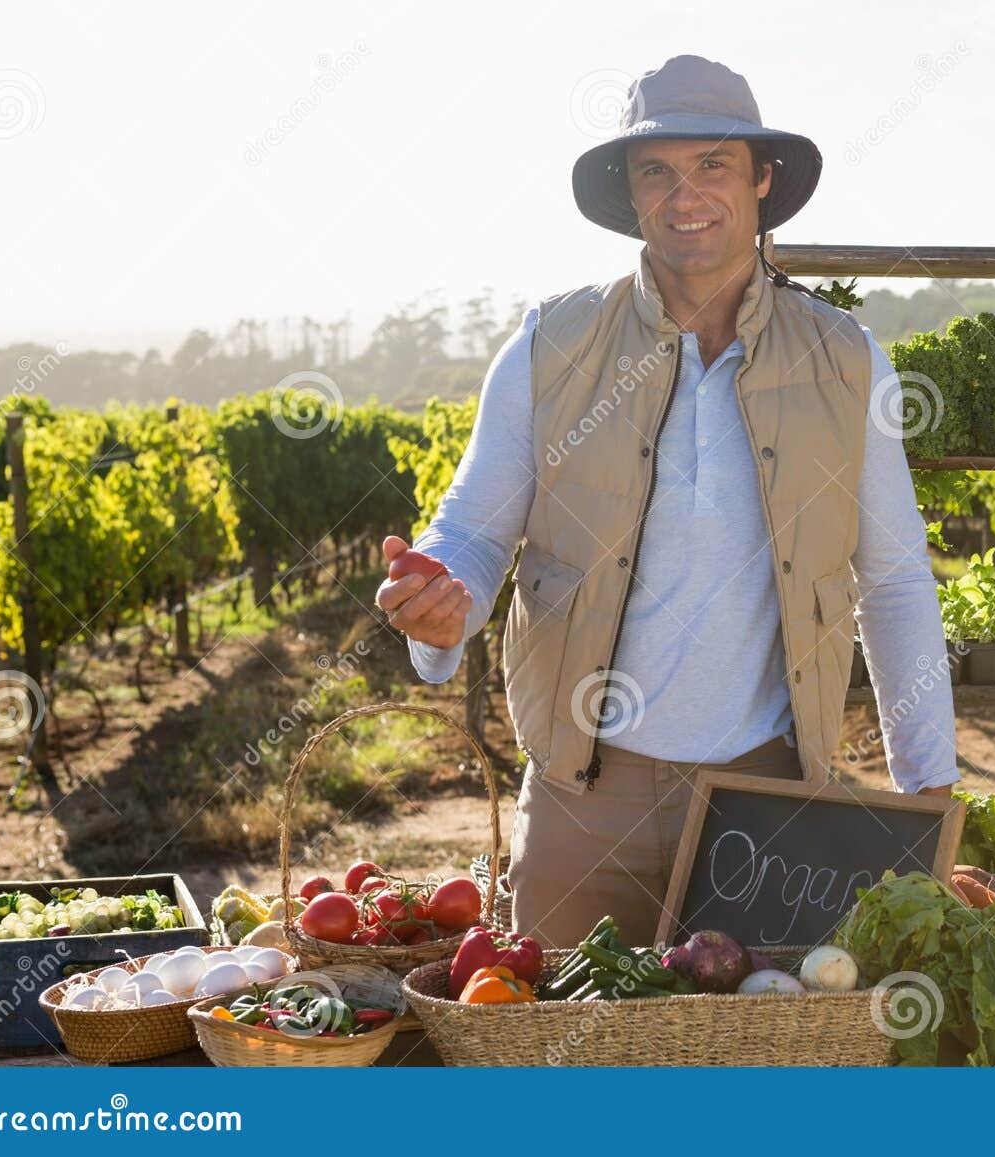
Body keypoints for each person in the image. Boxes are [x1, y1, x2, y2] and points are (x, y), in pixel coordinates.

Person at [375, 54, 959, 947]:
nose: (686, 196)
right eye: (657, 171)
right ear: (631, 195)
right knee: (562, 1070)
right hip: (583, 802)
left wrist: (928, 787)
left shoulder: (847, 361)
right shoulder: (550, 347)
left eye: (714, 165)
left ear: (763, 180)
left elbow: (894, 580)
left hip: (769, 806)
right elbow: (473, 532)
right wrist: (443, 609)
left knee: (749, 1075)